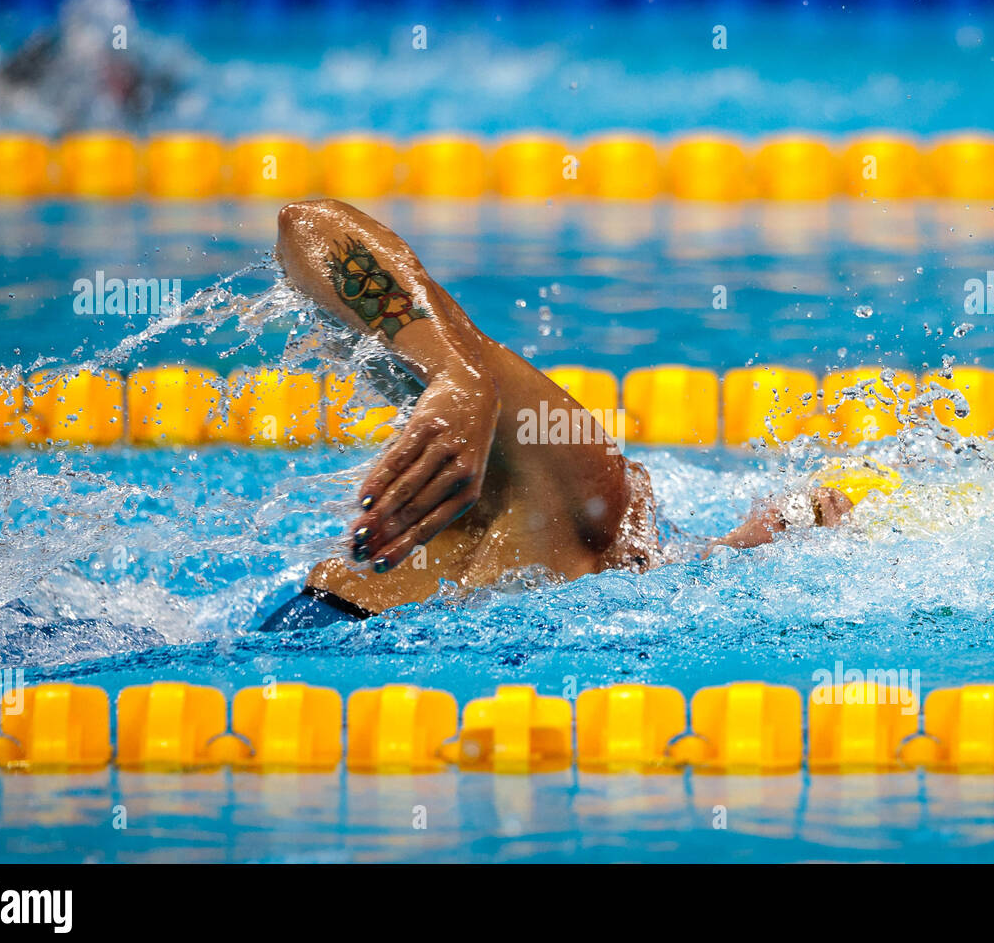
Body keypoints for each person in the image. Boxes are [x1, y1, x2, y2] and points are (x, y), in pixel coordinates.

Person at [260, 199, 853, 628]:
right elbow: (310, 226)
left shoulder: (588, 547)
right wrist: (455, 375)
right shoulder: (588, 492)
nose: (643, 481)